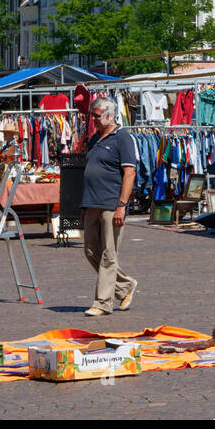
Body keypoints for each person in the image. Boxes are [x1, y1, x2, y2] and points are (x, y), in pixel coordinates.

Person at [80, 97, 138, 317]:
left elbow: (129, 173)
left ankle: (102, 303)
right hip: (91, 202)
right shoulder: (96, 138)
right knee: (90, 250)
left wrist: (121, 205)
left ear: (110, 115)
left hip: (111, 203)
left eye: (96, 115)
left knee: (108, 254)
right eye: (92, 115)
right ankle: (125, 286)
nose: (93, 119)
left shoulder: (122, 137)